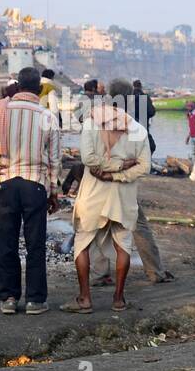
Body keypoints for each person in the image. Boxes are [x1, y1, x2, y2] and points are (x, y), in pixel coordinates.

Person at [0, 66, 62, 315]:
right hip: (34, 184)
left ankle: (8, 298)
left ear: (17, 86)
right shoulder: (47, 116)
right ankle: (35, 300)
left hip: (5, 181)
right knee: (35, 243)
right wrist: (53, 192)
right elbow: (55, 160)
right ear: (38, 89)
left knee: (6, 241)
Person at [61, 79, 150, 314]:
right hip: (123, 196)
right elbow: (144, 167)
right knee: (123, 246)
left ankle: (84, 299)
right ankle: (119, 300)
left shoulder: (92, 121)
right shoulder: (137, 128)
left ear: (109, 95)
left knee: (82, 243)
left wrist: (109, 169)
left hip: (93, 193)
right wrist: (120, 170)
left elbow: (88, 159)